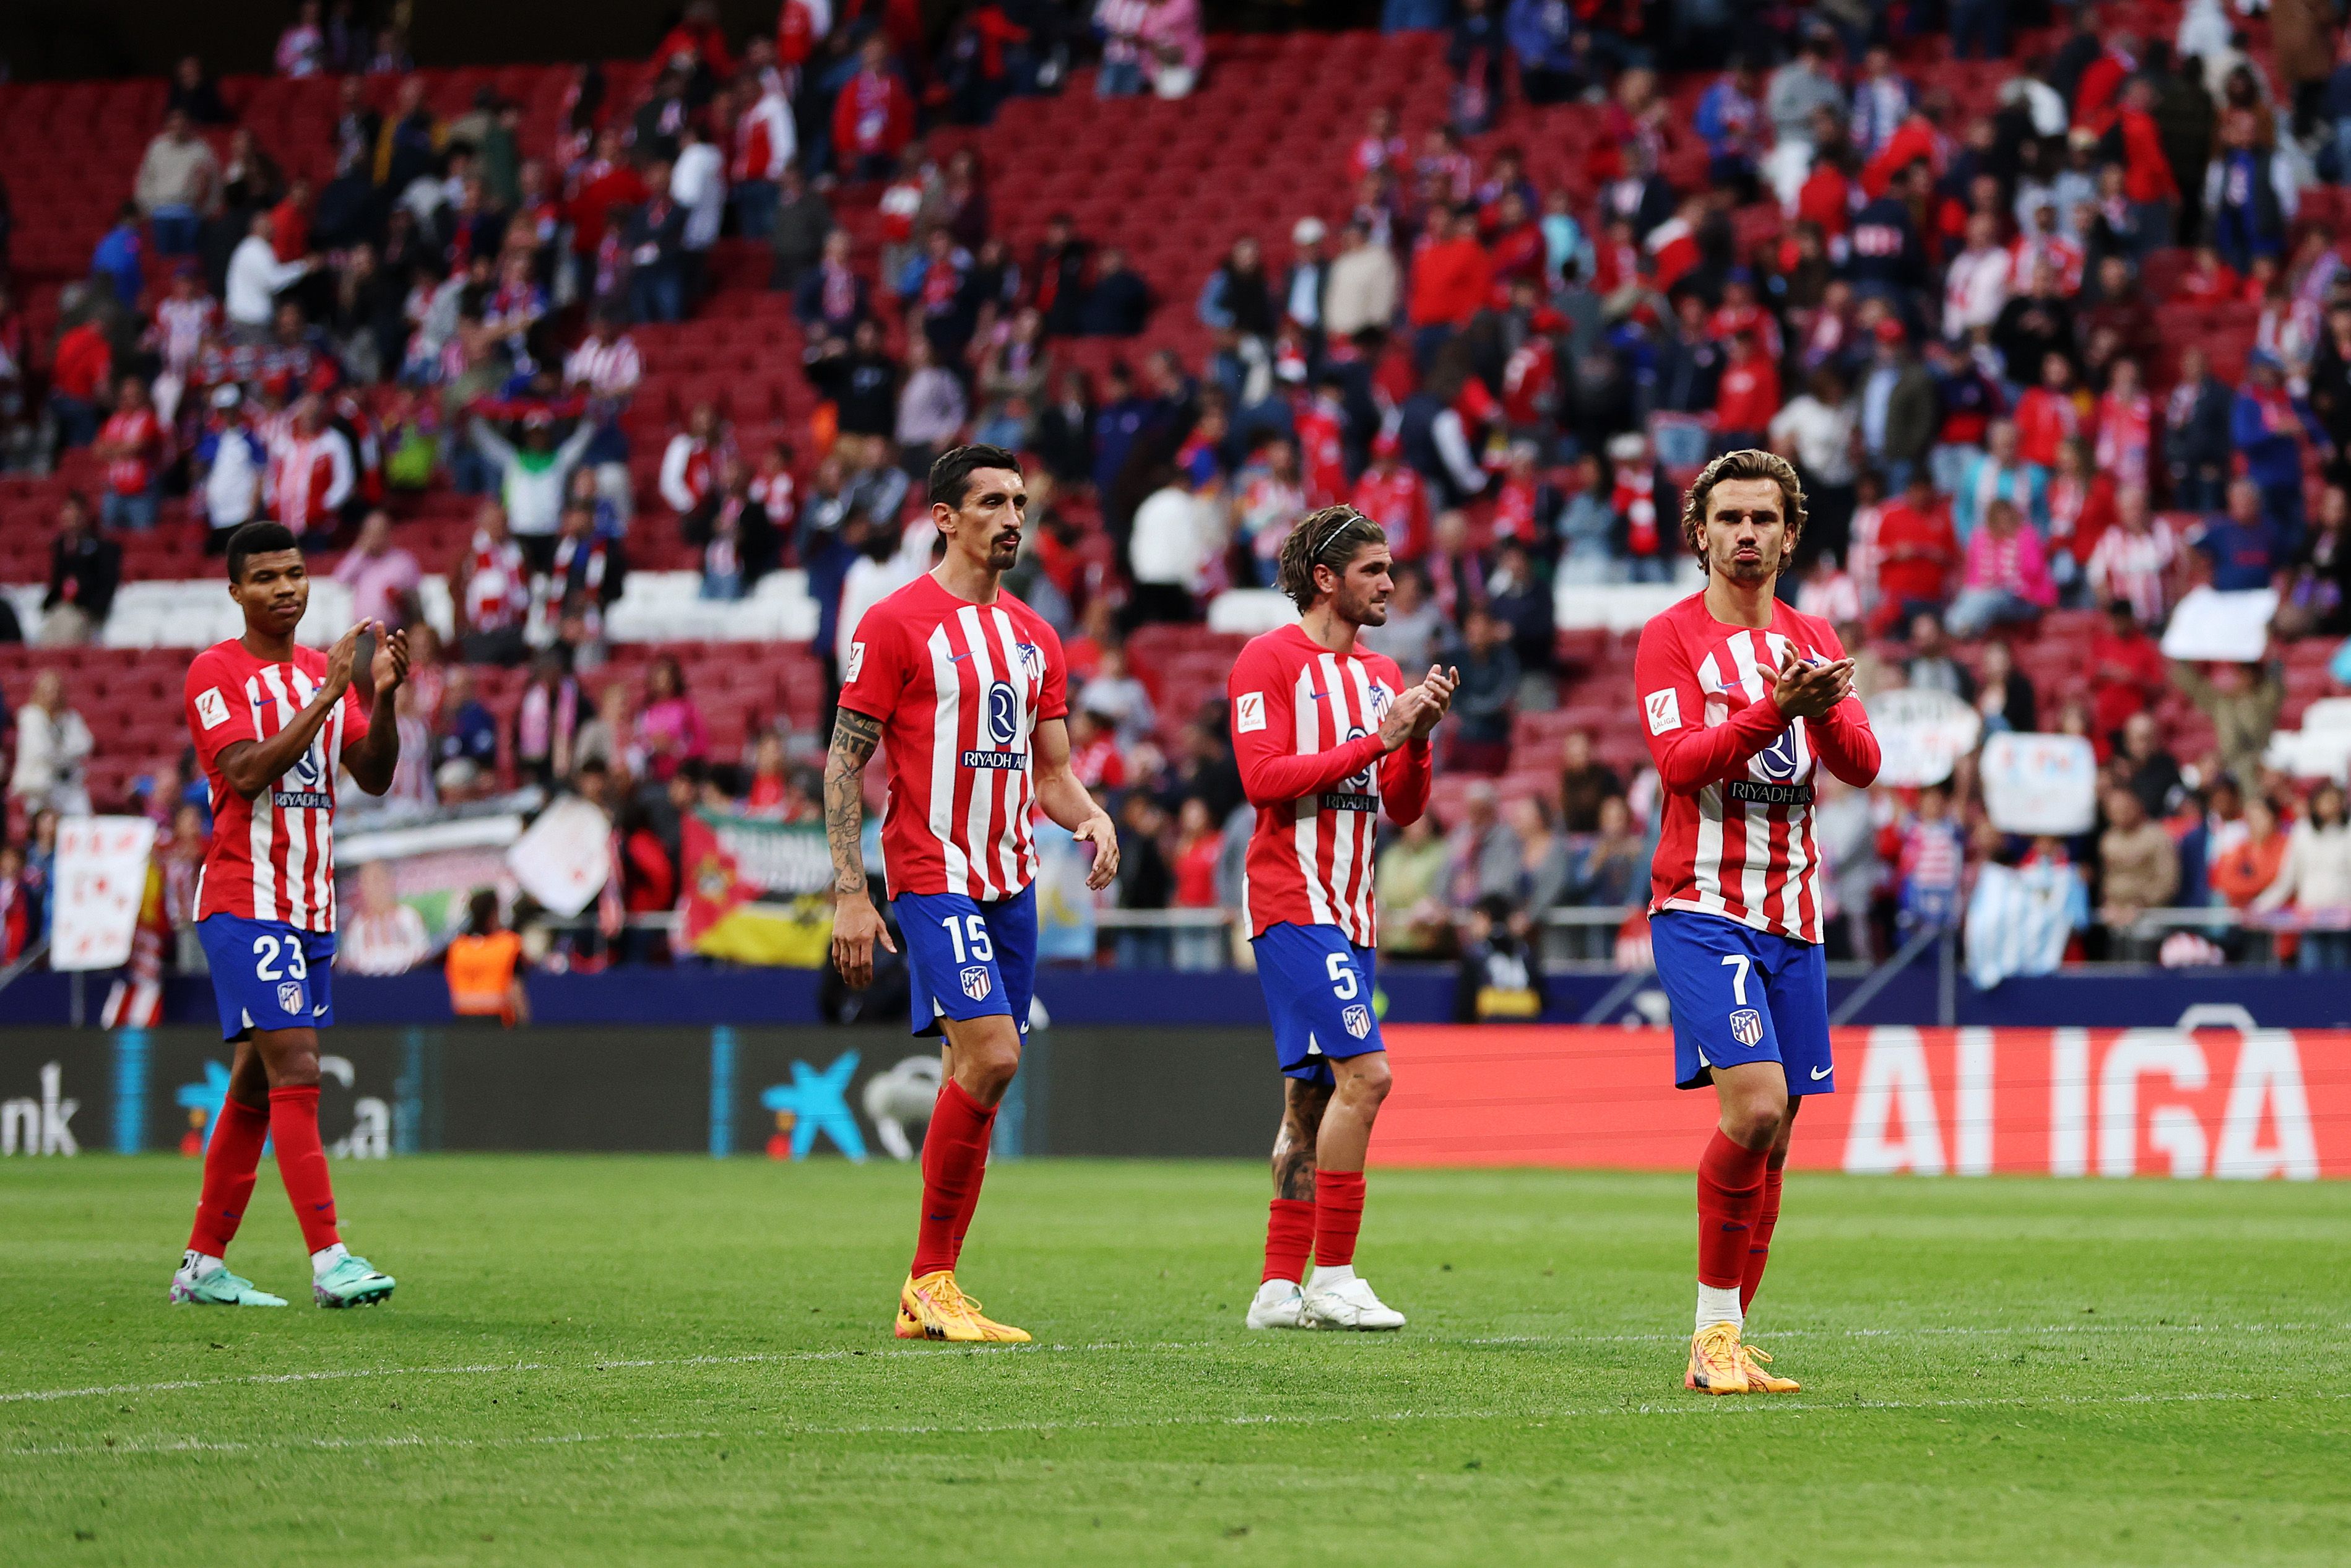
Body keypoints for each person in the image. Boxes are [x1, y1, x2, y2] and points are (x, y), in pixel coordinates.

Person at [825, 444, 1122, 1343]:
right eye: (991, 501)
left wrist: (1092, 816)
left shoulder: (1037, 637)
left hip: (1011, 881)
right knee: (993, 1056)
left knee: (976, 1076)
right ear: (945, 518)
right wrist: (850, 890)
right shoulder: (896, 624)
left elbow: (1053, 773)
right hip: (930, 873)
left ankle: (933, 1288)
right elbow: (845, 762)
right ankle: (928, 1278)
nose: (1012, 516)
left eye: (1021, 501)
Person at [1632, 449, 1881, 1395]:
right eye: (1729, 518)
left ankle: (1728, 1340)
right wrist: (1770, 706)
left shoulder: (1813, 632)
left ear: (1789, 533)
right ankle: (1707, 1333)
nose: (1746, 533)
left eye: (1763, 519)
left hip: (1795, 915)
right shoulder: (1669, 638)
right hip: (1700, 907)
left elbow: (1859, 763)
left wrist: (1816, 710)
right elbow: (1680, 761)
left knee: (1777, 1139)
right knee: (1757, 1107)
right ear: (1698, 534)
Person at [1226, 504, 1454, 1334]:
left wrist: (1416, 739)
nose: (1390, 582)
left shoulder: (1377, 673)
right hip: (1292, 903)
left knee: (1312, 1100)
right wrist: (1377, 739)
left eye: (1390, 568)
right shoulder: (1266, 661)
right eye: (1373, 570)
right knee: (1369, 1076)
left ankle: (1275, 1289)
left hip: (1351, 913)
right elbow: (1265, 778)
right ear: (1325, 579)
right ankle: (1335, 1274)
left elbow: (1401, 805)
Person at [173, 519, 407, 1311]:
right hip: (245, 901)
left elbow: (371, 776)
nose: (286, 588)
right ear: (236, 591)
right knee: (298, 1068)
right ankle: (330, 1258)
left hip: (309, 905)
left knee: (251, 1084)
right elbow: (242, 772)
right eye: (267, 577)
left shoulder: (323, 671)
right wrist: (331, 695)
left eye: (296, 573)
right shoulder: (216, 671)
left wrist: (384, 698)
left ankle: (202, 1264)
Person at [446, 888, 529, 1023]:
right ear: (493, 914)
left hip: (463, 1021)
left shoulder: (457, 947)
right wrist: (524, 1024)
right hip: (496, 1022)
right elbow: (515, 989)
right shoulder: (508, 945)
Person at [337, 861, 430, 975]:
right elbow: (351, 965)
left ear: (390, 882)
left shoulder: (409, 917)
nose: (375, 889)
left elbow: (424, 956)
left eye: (378, 881)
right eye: (368, 883)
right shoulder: (357, 927)